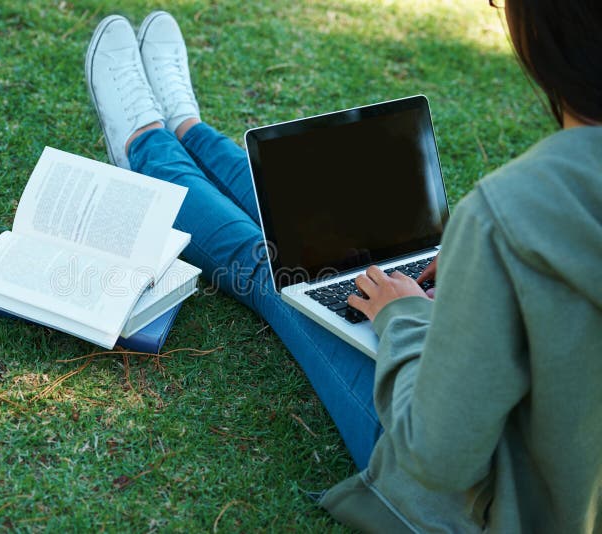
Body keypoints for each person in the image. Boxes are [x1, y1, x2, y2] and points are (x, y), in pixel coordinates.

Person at [83, 3, 602, 531]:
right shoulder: (523, 220)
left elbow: (439, 456)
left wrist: (404, 318)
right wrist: (487, 274)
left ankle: (145, 145)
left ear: (545, 34)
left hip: (466, 508)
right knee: (317, 240)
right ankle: (188, 127)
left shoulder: (511, 212)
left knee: (273, 271)